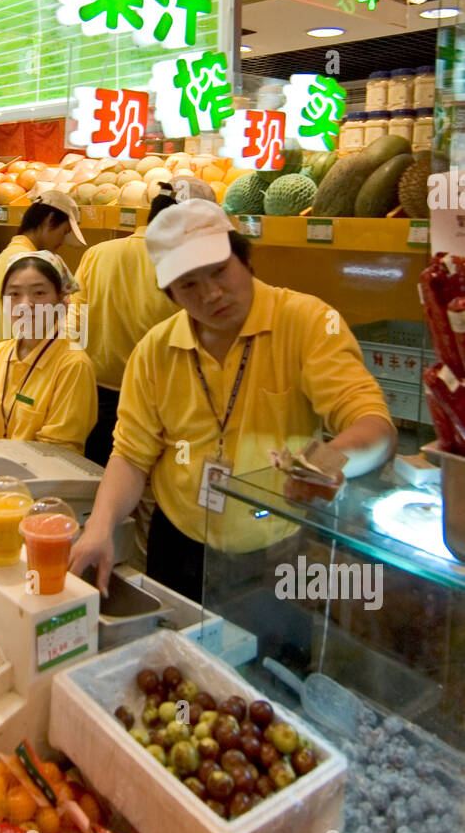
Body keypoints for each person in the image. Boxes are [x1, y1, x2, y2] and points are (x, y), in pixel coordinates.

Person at [70, 199, 396, 599]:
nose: (211, 294)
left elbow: (372, 423)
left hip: (276, 546)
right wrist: (99, 526)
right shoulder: (155, 351)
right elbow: (131, 455)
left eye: (219, 270)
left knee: (273, 658)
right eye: (188, 283)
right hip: (178, 542)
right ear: (170, 292)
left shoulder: (306, 322)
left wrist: (329, 460)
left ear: (244, 258)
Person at [74, 187, 185, 467]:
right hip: (153, 398)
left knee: (95, 475)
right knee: (142, 477)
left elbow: (73, 317)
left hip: (94, 392)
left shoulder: (97, 253)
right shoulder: (179, 267)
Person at [0, 250, 97, 455]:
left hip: (44, 481)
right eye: (14, 294)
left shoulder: (73, 365)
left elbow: (57, 454)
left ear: (62, 301)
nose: (25, 305)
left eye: (39, 293)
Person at [0, 191, 86, 351]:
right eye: (64, 232)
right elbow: (70, 322)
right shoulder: (40, 265)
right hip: (33, 363)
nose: (62, 241)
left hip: (1, 363)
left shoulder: (2, 259)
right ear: (49, 220)